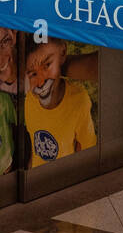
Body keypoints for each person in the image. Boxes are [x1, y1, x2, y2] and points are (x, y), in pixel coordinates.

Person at [23, 37, 96, 167]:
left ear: (62, 52)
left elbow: (86, 147)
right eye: (33, 74)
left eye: (47, 65)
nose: (41, 82)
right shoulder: (29, 99)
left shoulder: (79, 101)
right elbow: (35, 146)